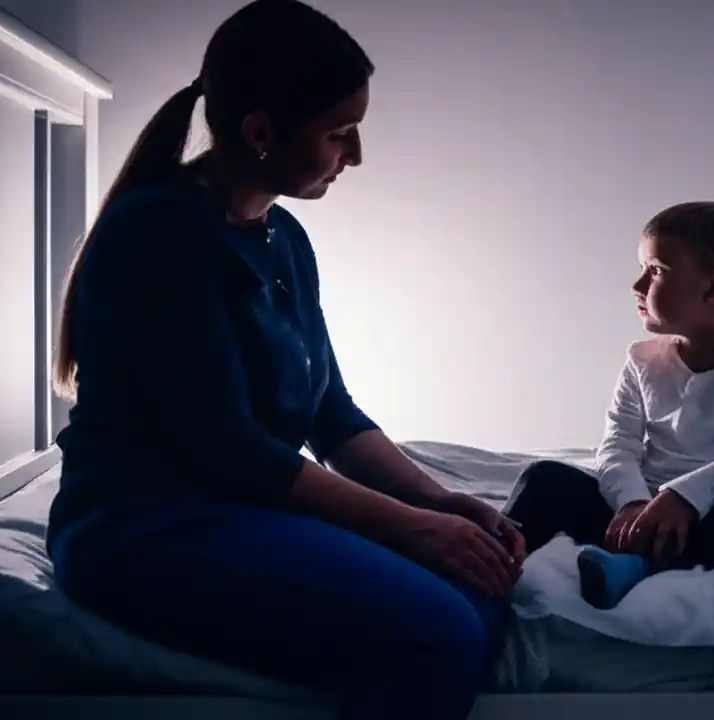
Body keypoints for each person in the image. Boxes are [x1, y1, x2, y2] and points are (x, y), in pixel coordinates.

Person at [44, 2, 523, 718]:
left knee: (478, 598)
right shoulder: (157, 235)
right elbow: (235, 452)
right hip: (141, 529)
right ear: (261, 132)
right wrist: (412, 528)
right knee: (439, 631)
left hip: (236, 510)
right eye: (339, 133)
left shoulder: (284, 239)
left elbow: (330, 413)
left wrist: (438, 499)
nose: (355, 155)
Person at [502, 201, 714, 609]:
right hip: (631, 512)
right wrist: (633, 503)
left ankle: (639, 567)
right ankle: (491, 556)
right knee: (542, 478)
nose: (637, 285)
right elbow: (617, 445)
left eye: (655, 271)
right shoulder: (642, 359)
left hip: (709, 512)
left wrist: (682, 498)